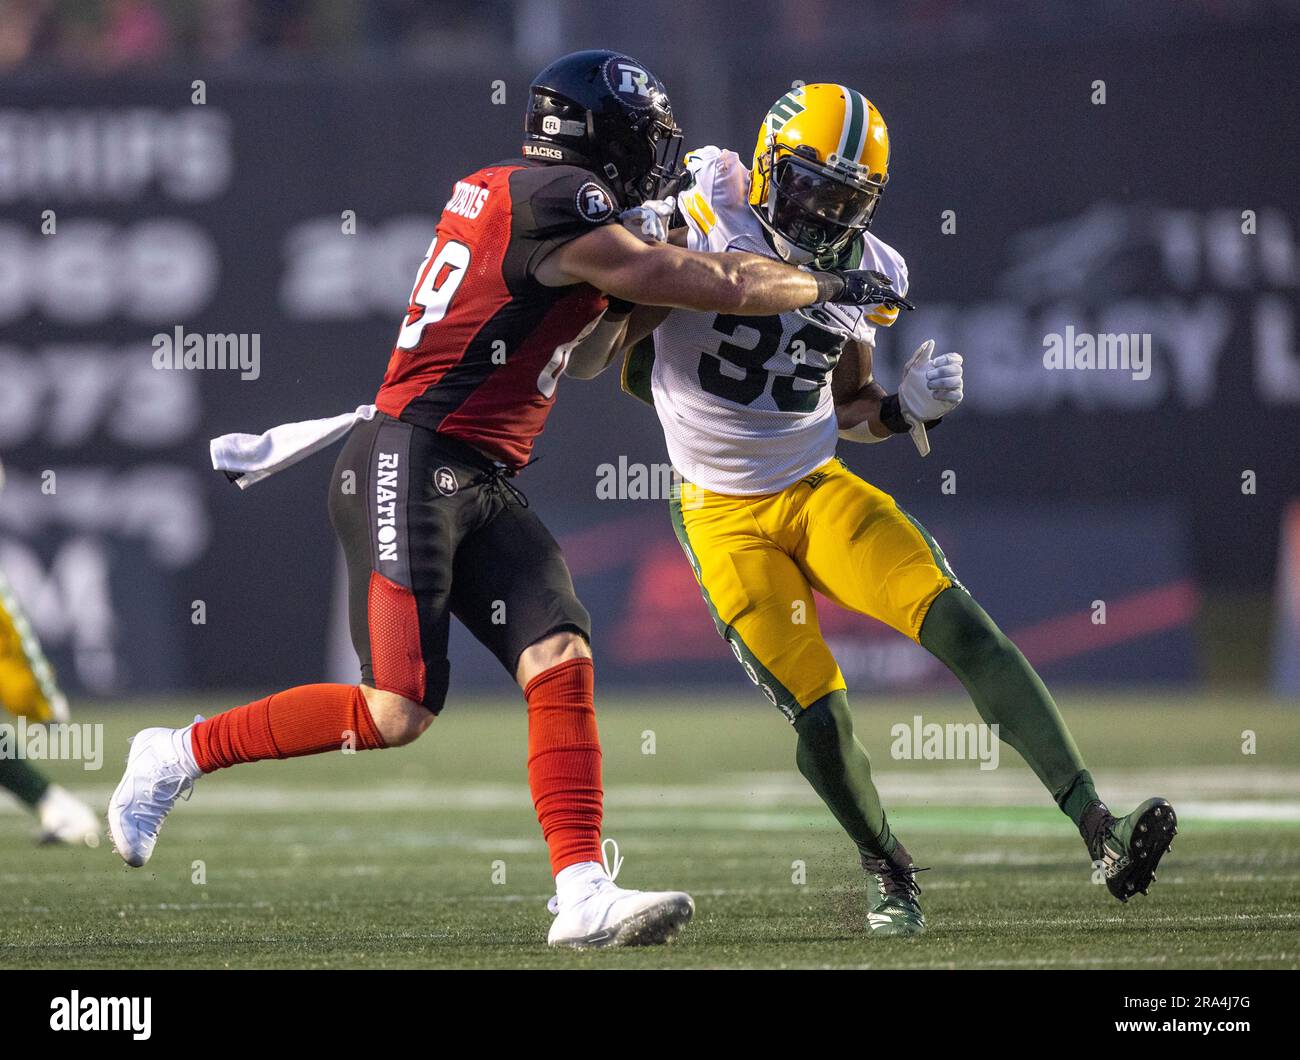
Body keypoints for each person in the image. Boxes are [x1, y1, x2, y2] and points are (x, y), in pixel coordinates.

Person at [109, 52, 909, 949]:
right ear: (596, 135)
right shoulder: (558, 201)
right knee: (395, 711)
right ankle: (176, 753)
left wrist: (667, 239)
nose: (656, 159)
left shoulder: (533, 196)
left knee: (559, 650)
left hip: (479, 471)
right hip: (411, 458)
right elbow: (710, 285)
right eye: (645, 142)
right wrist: (830, 284)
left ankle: (580, 893)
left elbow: (611, 339)